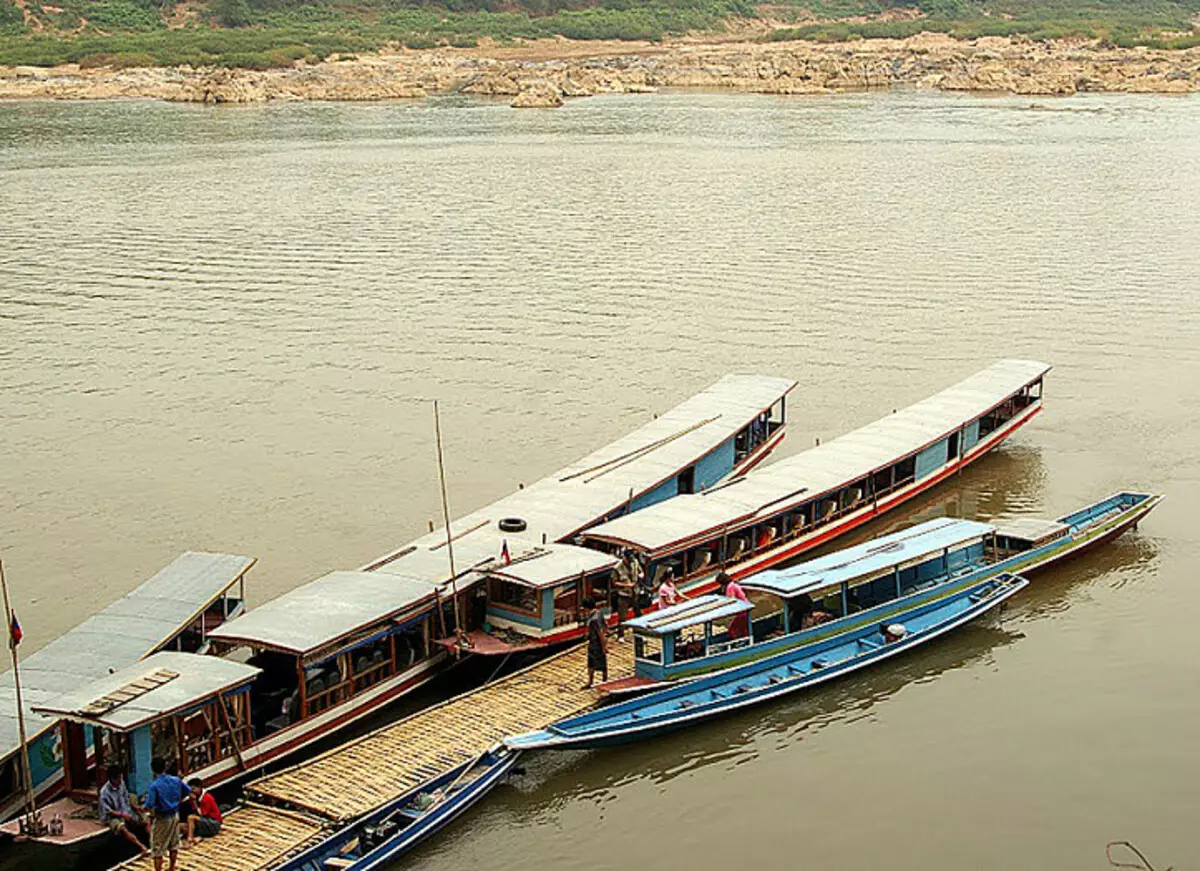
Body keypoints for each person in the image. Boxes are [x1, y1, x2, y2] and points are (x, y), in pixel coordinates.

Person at [144, 756, 191, 871]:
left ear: (153, 770)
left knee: (158, 847)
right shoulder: (176, 780)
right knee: (174, 843)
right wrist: (178, 800)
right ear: (165, 767)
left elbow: (149, 804)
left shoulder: (154, 786)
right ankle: (171, 867)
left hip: (162, 817)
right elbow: (188, 791)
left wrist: (148, 812)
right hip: (175, 814)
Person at [99, 765, 149, 856]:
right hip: (112, 816)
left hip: (124, 809)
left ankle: (153, 841)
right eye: (118, 779)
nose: (120, 780)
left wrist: (135, 807)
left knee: (145, 819)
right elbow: (108, 811)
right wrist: (122, 815)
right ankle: (141, 846)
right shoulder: (104, 793)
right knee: (123, 829)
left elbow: (126, 798)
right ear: (112, 779)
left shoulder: (122, 783)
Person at [611, 550, 640, 640]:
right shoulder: (617, 568)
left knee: (638, 612)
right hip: (624, 594)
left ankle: (639, 630)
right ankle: (621, 635)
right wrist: (626, 585)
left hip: (635, 592)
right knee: (622, 616)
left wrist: (641, 575)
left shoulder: (635, 562)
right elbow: (614, 582)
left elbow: (640, 571)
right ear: (624, 558)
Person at [184, 778, 222, 844]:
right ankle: (199, 836)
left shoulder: (206, 797)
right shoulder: (196, 797)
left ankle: (189, 840)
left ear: (200, 788)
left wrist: (194, 801)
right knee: (182, 826)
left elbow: (201, 814)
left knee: (191, 818)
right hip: (205, 822)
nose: (192, 792)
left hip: (214, 823)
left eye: (193, 789)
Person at [583, 598, 607, 688]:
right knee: (592, 663)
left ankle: (603, 680)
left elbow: (600, 632)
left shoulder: (594, 619)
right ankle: (591, 681)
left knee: (599, 662)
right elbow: (604, 626)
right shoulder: (598, 613)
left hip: (596, 643)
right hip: (593, 641)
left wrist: (604, 645)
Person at [720, 572, 751, 639]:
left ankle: (739, 643)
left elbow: (731, 600)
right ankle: (747, 640)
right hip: (746, 607)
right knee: (744, 628)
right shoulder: (734, 584)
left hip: (742, 610)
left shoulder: (730, 587)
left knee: (732, 630)